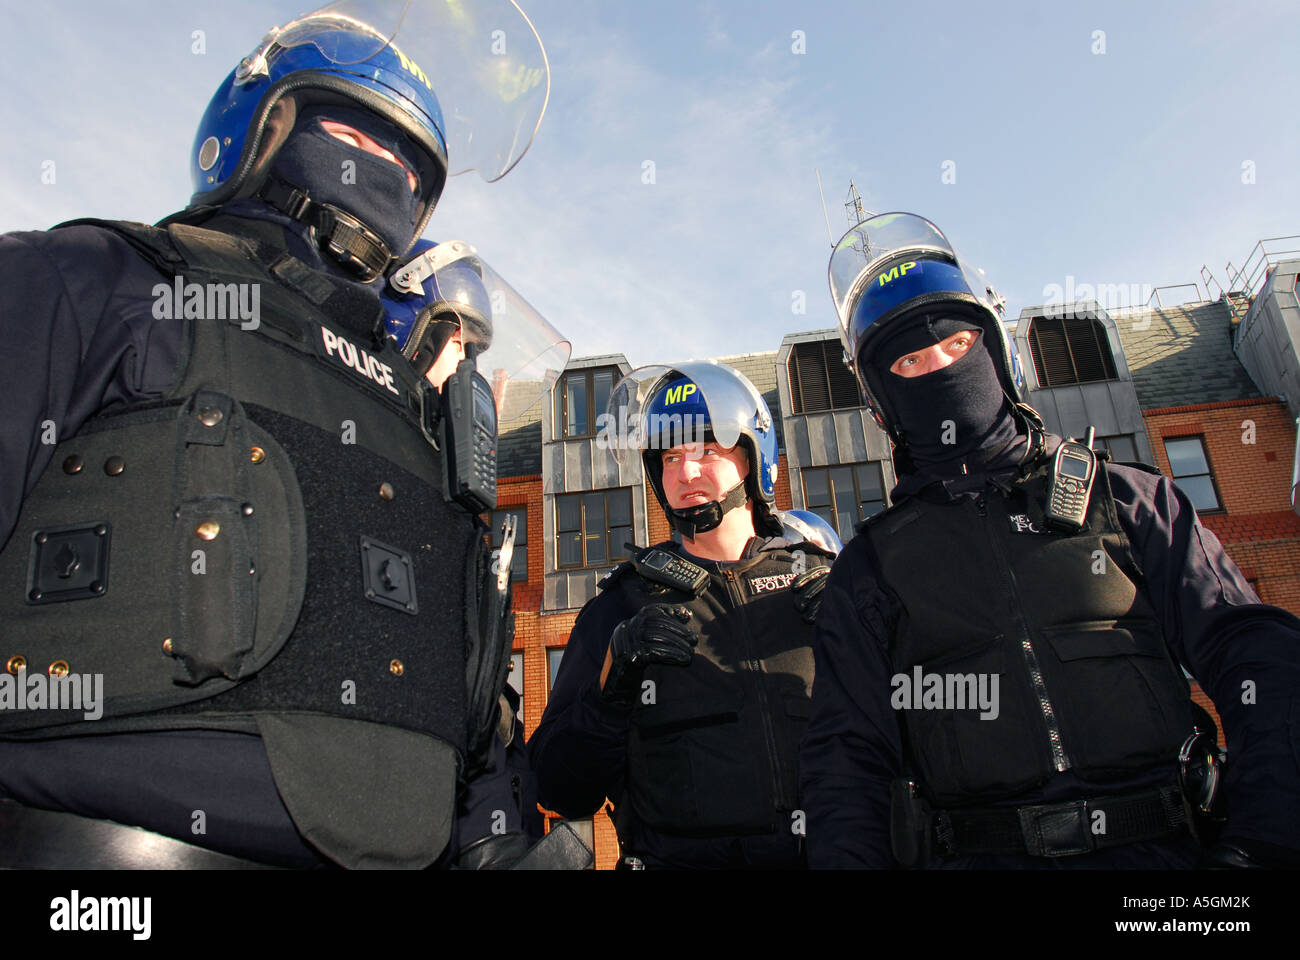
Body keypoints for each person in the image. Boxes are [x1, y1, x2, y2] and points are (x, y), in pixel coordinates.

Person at [0, 1, 570, 870]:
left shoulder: (424, 425)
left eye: (405, 167)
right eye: (355, 134)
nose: (379, 175)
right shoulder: (107, 278)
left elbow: (463, 698)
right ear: (261, 129)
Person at [800, 212, 1300, 869]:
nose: (940, 370)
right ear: (883, 403)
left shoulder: (1125, 499)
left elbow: (1257, 654)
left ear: (994, 352)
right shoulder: (871, 567)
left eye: (955, 347)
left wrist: (1265, 837)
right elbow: (846, 762)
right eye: (911, 361)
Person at [528, 361, 834, 869]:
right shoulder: (620, 609)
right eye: (670, 456)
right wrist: (610, 690)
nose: (685, 472)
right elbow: (559, 789)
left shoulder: (824, 579)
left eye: (706, 450)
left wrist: (867, 634)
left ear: (754, 457)